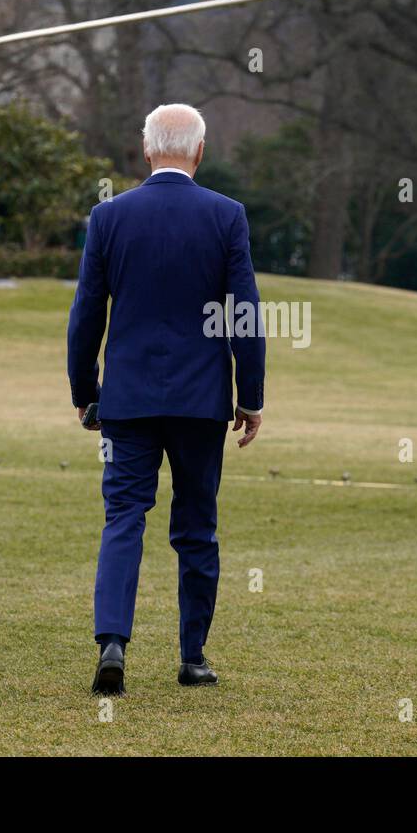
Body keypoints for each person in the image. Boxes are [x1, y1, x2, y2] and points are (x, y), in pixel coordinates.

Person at [67, 103, 266, 695]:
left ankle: (112, 644)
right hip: (202, 402)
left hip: (126, 401)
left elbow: (85, 314)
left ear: (147, 150)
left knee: (124, 518)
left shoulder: (108, 217)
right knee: (197, 527)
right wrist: (249, 396)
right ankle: (192, 657)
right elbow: (245, 316)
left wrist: (85, 392)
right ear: (199, 151)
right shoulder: (227, 216)